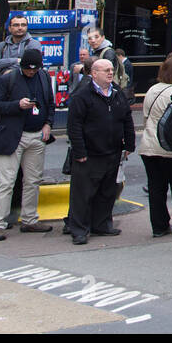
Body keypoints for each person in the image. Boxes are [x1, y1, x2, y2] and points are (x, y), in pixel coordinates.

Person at [0, 48, 56, 239]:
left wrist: (48, 124)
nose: (31, 72)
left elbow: (50, 103)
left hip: (37, 135)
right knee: (6, 182)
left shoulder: (43, 76)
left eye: (34, 69)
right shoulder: (7, 79)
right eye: (28, 69)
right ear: (21, 66)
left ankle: (29, 219)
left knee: (33, 181)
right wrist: (18, 105)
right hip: (13, 136)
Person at [65, 57, 135, 245]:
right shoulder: (83, 95)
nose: (110, 73)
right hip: (89, 154)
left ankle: (102, 224)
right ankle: (79, 230)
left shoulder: (117, 93)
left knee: (107, 192)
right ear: (94, 73)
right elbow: (74, 126)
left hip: (112, 152)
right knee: (83, 194)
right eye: (105, 70)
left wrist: (129, 144)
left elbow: (127, 119)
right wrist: (80, 152)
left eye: (111, 69)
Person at [139, 52, 172, 238]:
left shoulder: (152, 90)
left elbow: (146, 118)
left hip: (149, 146)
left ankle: (159, 226)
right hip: (171, 148)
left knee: (156, 188)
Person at [0, 15, 40, 81]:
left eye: (23, 25)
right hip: (5, 86)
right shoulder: (2, 46)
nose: (20, 28)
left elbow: (31, 65)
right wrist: (15, 60)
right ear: (9, 28)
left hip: (26, 86)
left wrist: (10, 72)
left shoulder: (33, 44)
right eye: (16, 25)